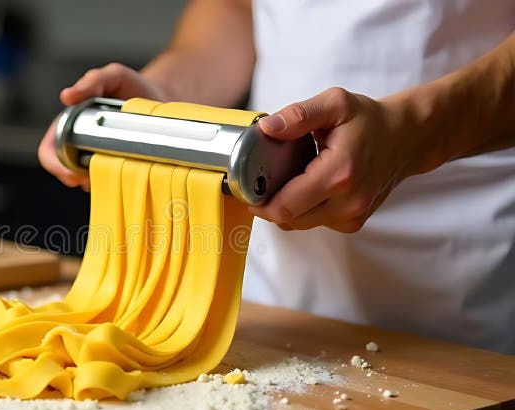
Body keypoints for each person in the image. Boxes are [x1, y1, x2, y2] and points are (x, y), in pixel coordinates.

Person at [38, 0, 515, 354]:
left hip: (458, 301)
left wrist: (411, 134)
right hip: (267, 308)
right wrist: (165, 98)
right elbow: (237, 8)